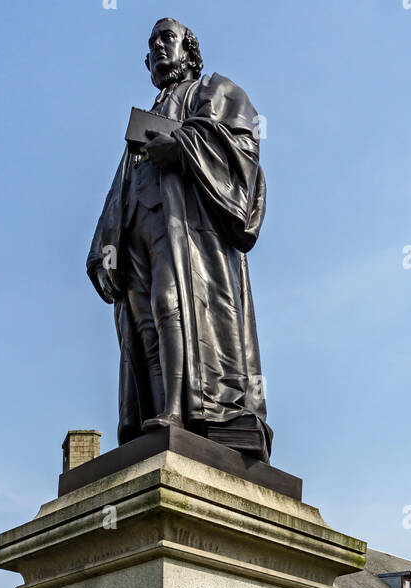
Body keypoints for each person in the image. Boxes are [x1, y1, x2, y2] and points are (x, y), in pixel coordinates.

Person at [87, 17, 272, 461]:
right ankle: (157, 412)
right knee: (146, 322)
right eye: (151, 43)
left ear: (188, 48)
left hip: (185, 232)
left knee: (172, 303)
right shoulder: (145, 120)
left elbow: (243, 150)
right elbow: (121, 186)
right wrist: (105, 245)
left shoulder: (216, 91)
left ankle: (178, 411)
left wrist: (184, 148)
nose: (158, 47)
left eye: (166, 38)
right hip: (139, 230)